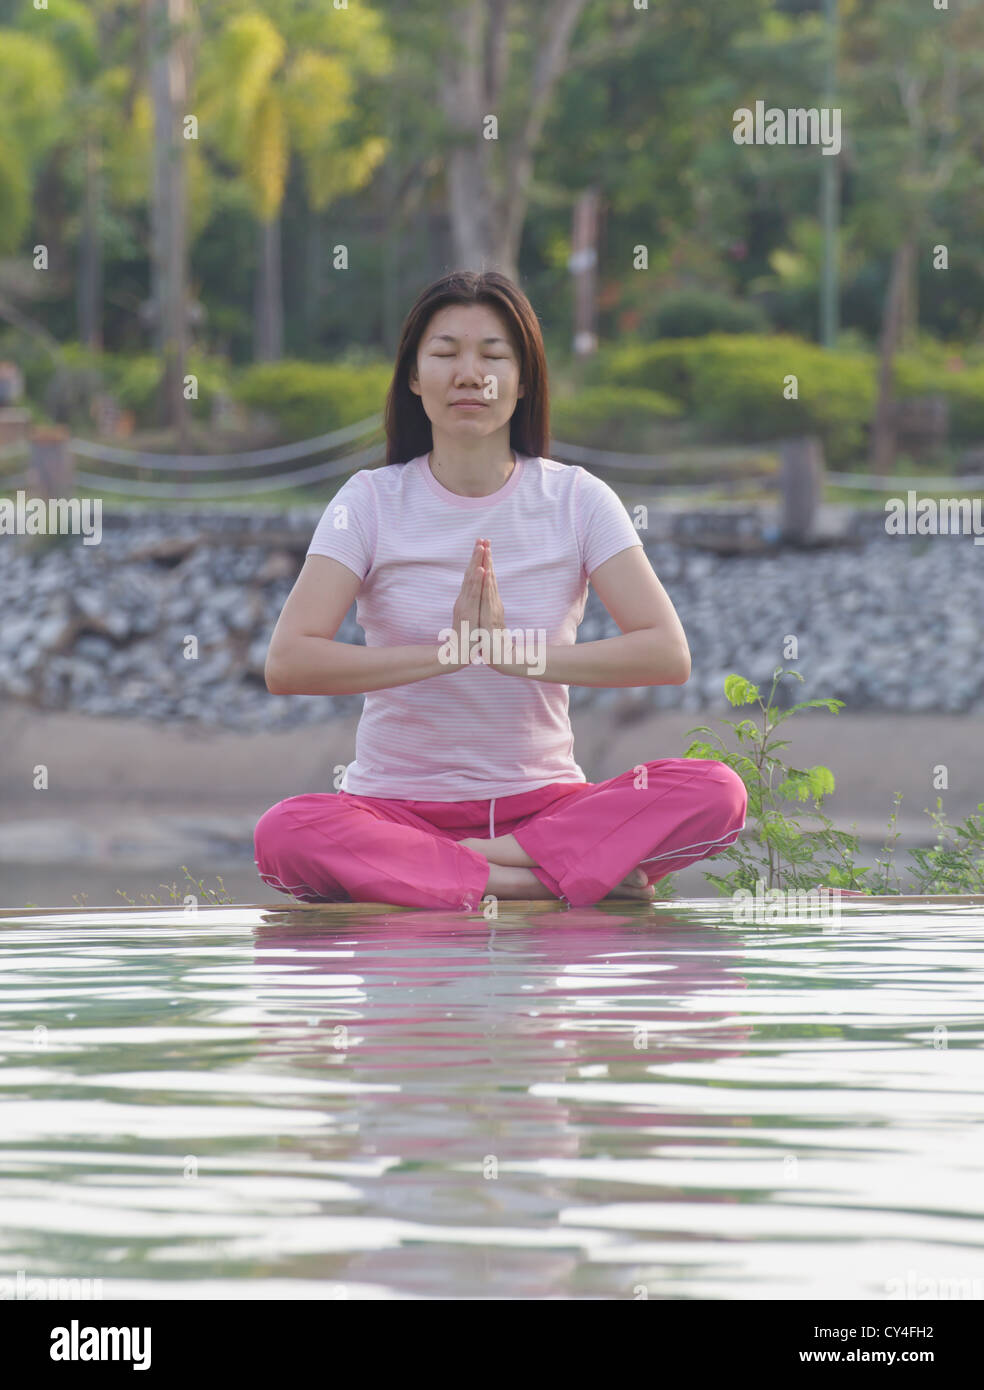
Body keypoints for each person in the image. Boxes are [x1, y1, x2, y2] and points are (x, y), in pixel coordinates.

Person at [253, 270, 747, 910]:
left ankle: (458, 873)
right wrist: (448, 654)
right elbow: (288, 662)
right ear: (412, 376)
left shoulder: (577, 499)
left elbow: (666, 653)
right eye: (445, 353)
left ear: (523, 381)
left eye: (492, 355)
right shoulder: (369, 501)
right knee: (285, 833)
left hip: (546, 812)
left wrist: (520, 656)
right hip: (397, 811)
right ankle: (543, 884)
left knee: (716, 791)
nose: (468, 373)